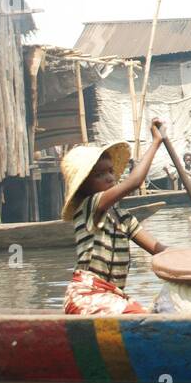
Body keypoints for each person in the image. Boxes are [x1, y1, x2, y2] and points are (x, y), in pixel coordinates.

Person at [59, 120, 170, 314]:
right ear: (84, 185)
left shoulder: (124, 219)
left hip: (113, 297)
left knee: (166, 309)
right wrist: (156, 142)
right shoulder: (89, 206)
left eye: (110, 171)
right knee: (143, 317)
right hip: (87, 296)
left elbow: (161, 252)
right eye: (99, 175)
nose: (110, 177)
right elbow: (134, 182)